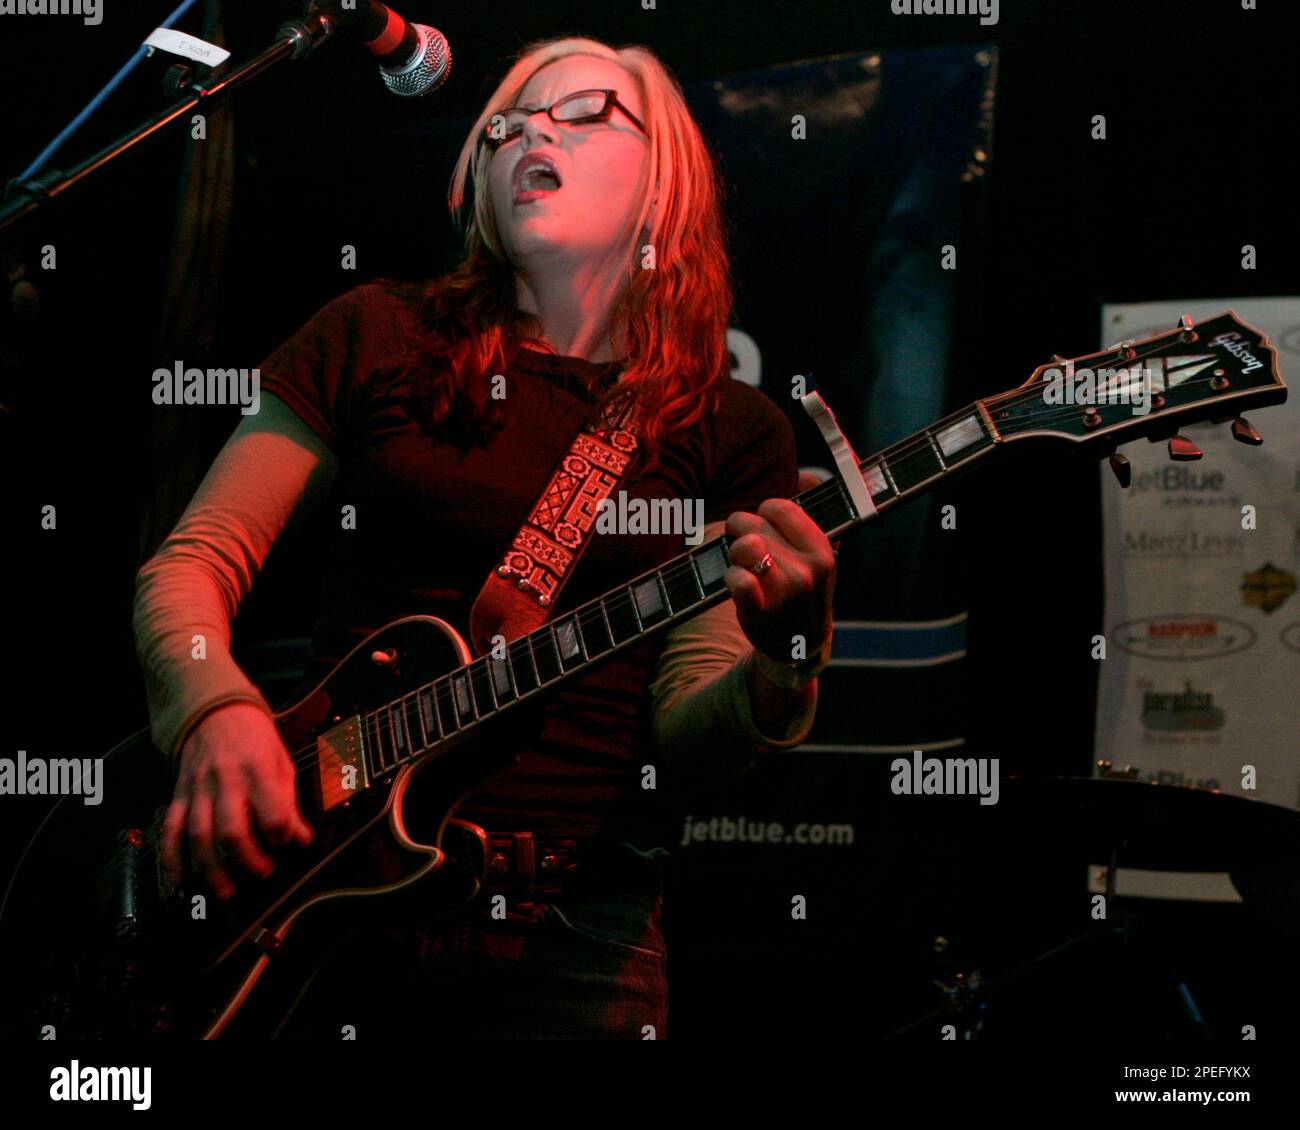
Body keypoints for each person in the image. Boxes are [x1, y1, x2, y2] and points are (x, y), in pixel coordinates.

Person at [132, 35, 837, 1040]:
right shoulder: (371, 331)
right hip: (321, 888)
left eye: (584, 111)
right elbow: (190, 561)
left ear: (664, 181)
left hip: (574, 939)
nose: (531, 128)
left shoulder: (729, 426)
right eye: (507, 119)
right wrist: (213, 709)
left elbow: (692, 729)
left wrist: (789, 657)